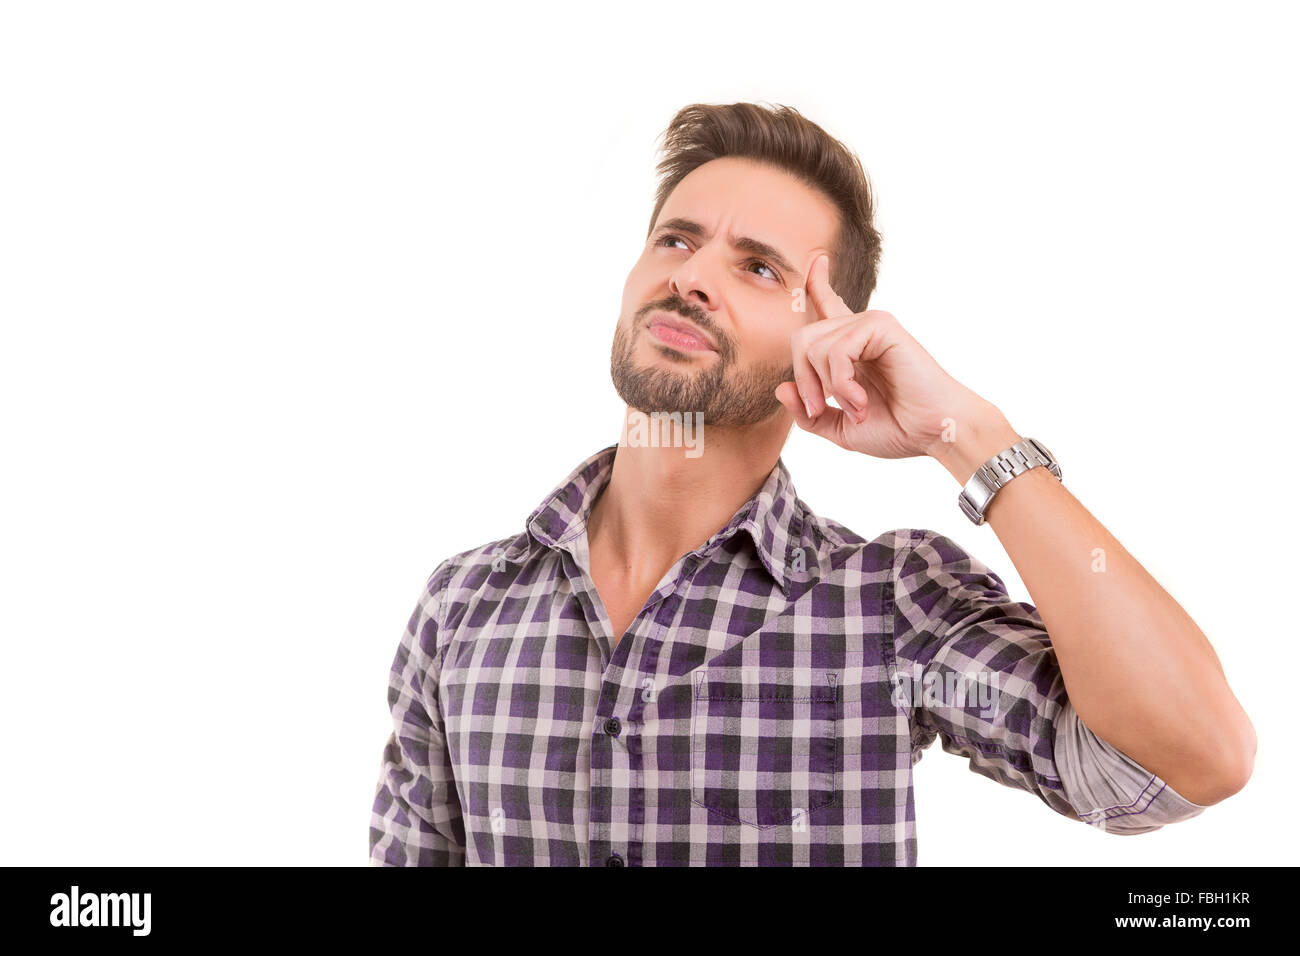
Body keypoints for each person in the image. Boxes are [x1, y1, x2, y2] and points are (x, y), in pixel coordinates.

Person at [368, 102, 1255, 866]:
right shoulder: (464, 605)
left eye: (758, 268)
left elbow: (1189, 762)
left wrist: (968, 435)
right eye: (676, 239)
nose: (690, 278)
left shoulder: (887, 604)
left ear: (830, 335)